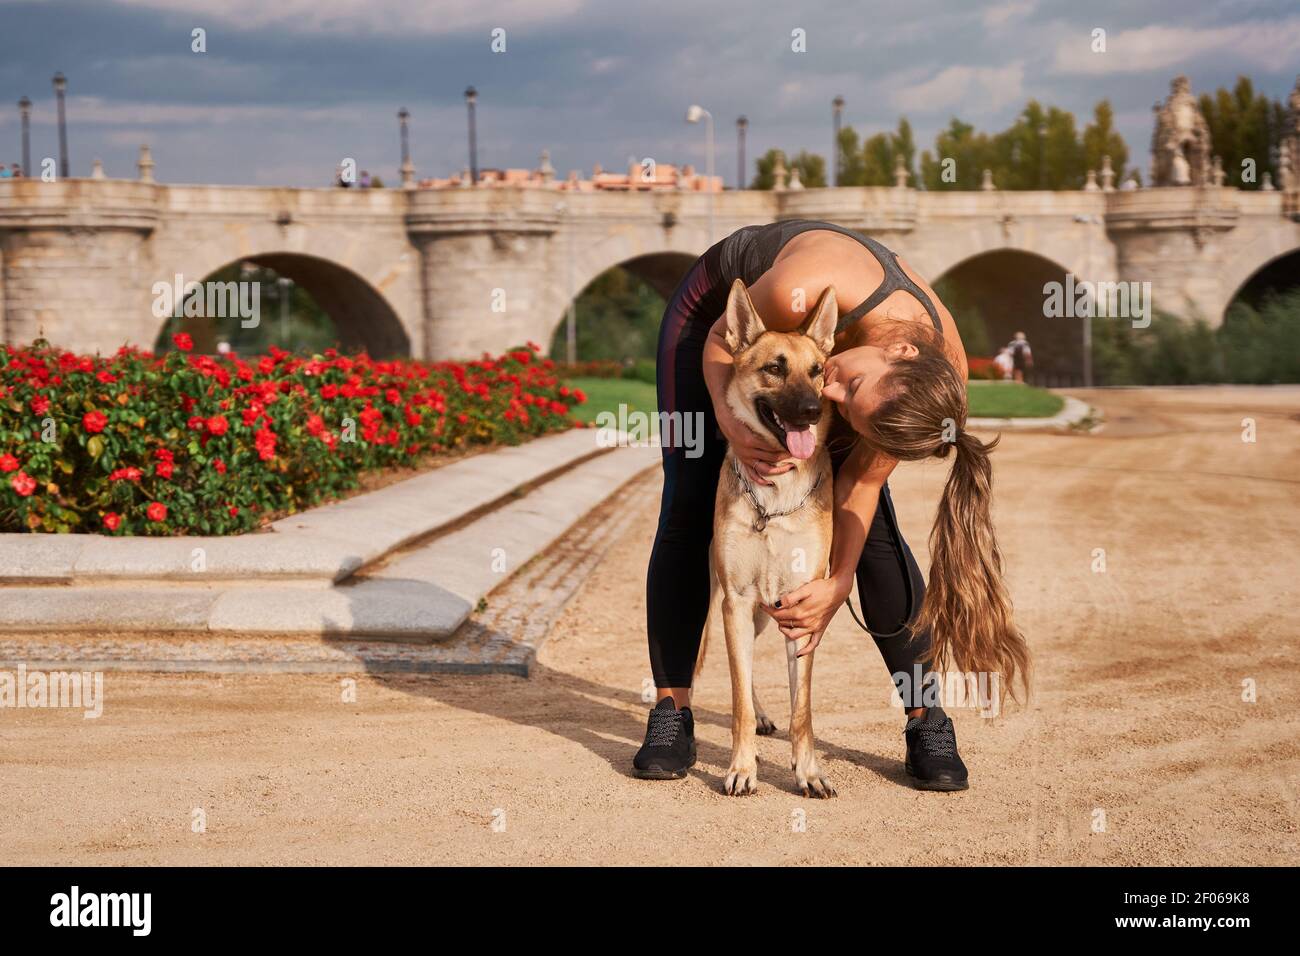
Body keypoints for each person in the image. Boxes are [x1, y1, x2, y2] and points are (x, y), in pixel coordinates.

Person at [635, 219, 1030, 790]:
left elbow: (859, 492)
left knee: (876, 537)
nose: (830, 401)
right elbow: (729, 335)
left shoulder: (927, 390)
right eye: (849, 387)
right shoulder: (803, 282)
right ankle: (672, 713)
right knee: (689, 503)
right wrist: (730, 422)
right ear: (897, 351)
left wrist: (836, 581)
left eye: (845, 401)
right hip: (717, 323)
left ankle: (926, 719)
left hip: (809, 352)